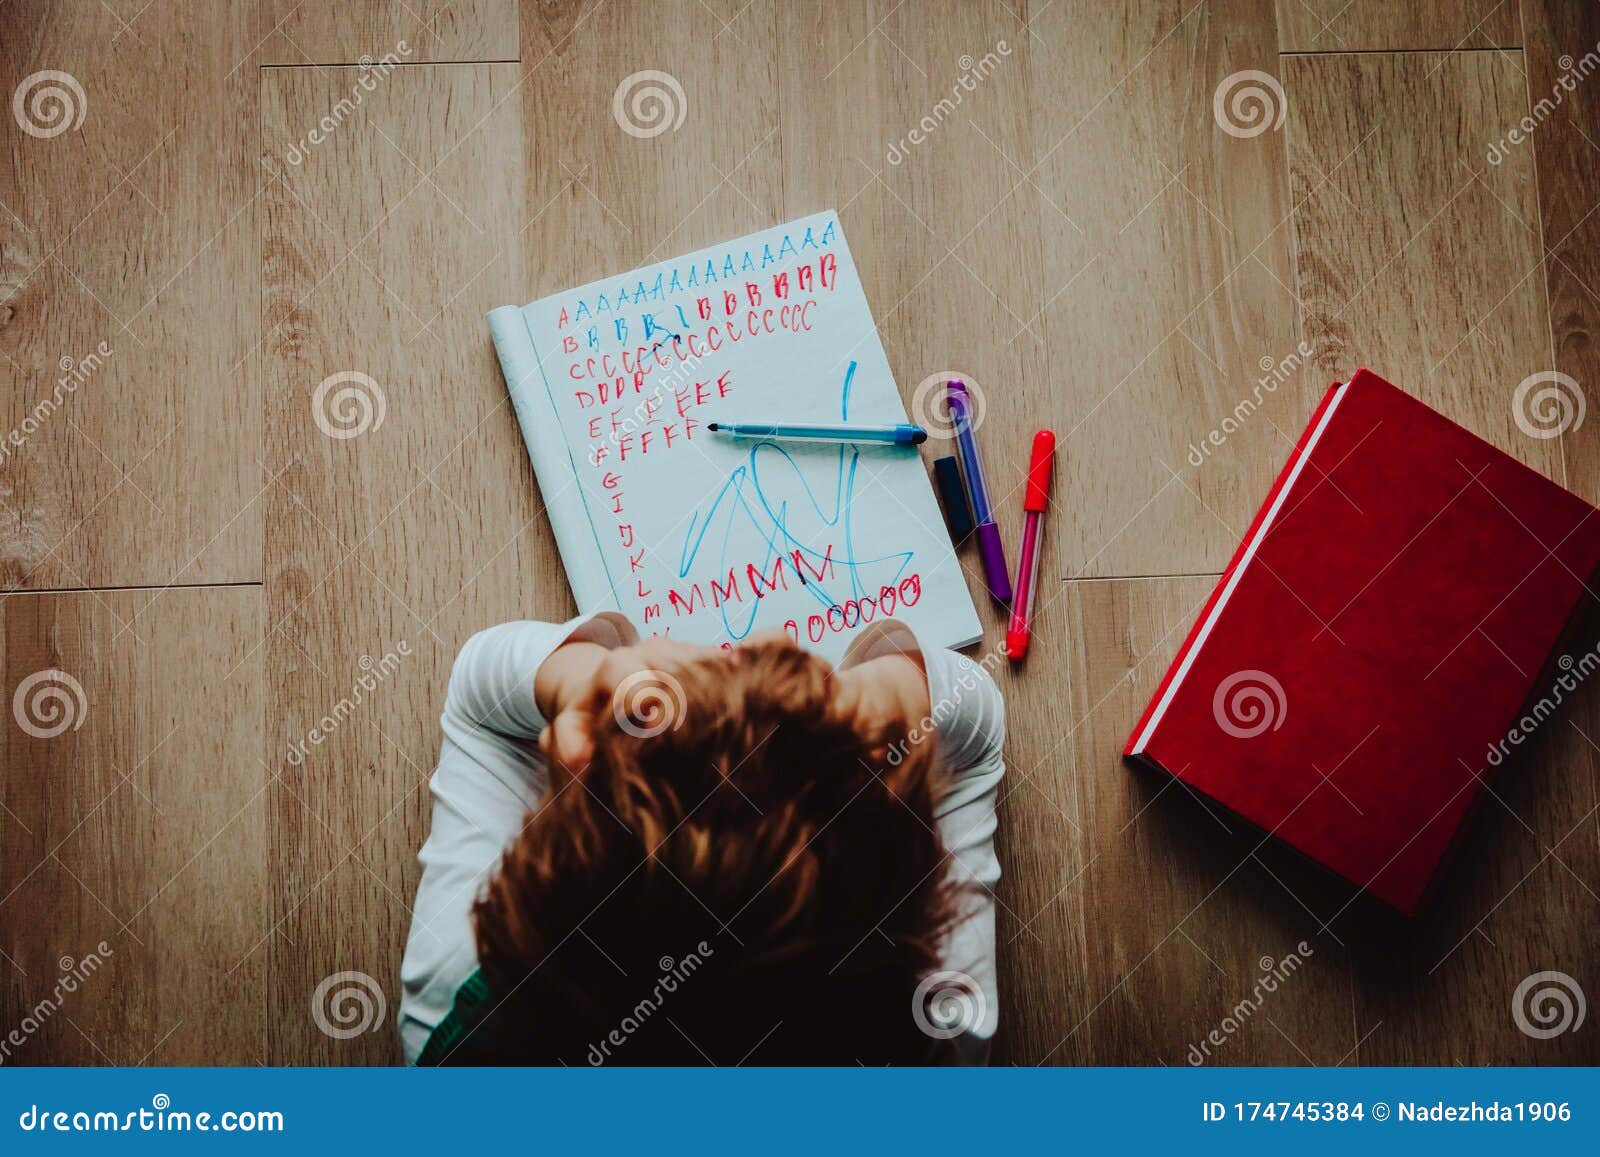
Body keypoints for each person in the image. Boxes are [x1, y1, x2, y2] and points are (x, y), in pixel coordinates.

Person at [398, 612, 1005, 1064]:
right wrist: (849, 706)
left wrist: (583, 686)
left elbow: (480, 696)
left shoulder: (460, 1035)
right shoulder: (945, 1029)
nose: (774, 636)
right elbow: (973, 723)